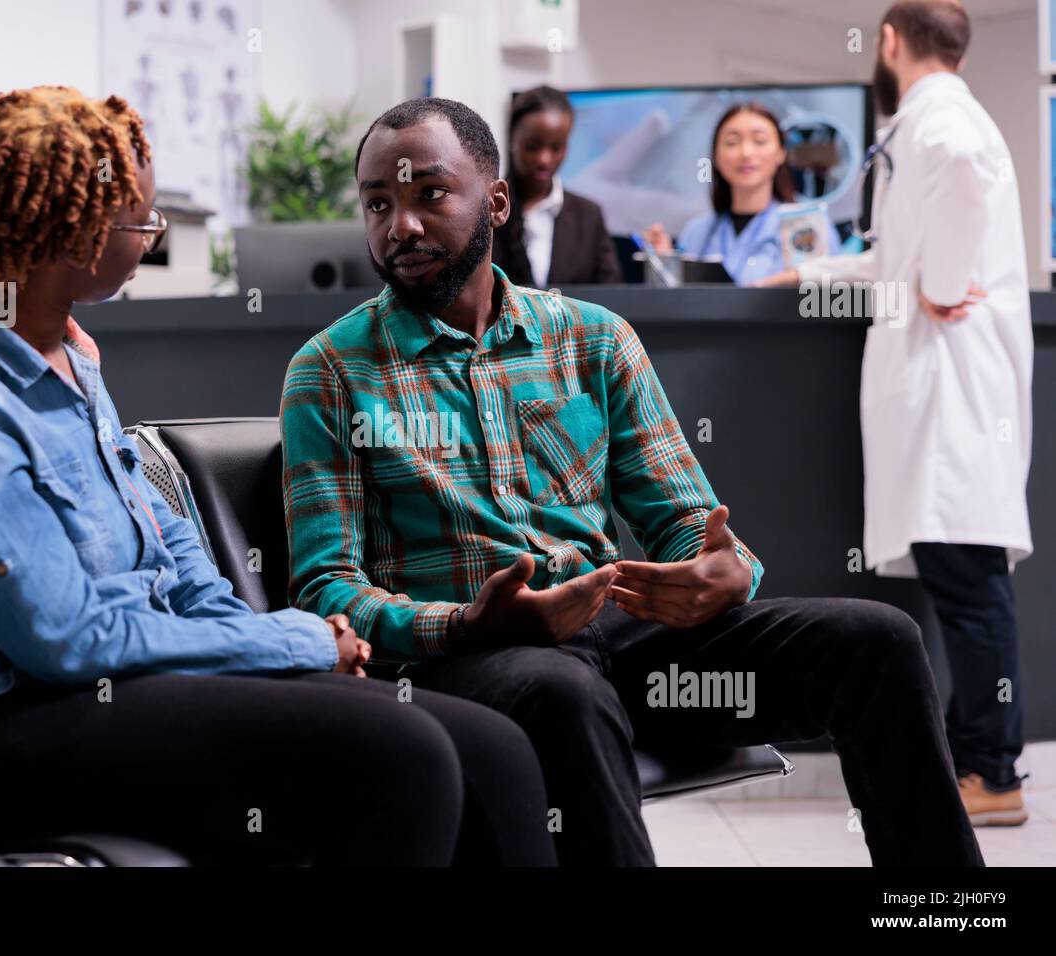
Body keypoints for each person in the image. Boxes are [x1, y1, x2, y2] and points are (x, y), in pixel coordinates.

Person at [280, 95, 985, 867]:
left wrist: (723, 571)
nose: (400, 226)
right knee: (562, 692)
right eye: (378, 203)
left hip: (616, 630)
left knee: (876, 640)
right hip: (469, 662)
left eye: (428, 195)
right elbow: (326, 592)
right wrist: (468, 623)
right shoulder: (331, 371)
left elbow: (689, 523)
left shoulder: (594, 339)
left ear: (497, 200)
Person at [0, 85, 557, 866]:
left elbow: (171, 558)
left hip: (118, 685)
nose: (151, 235)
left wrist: (258, 641)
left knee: (492, 749)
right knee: (405, 755)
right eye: (141, 221)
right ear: (80, 235)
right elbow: (68, 640)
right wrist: (290, 643)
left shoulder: (73, 361)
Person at [759, 0, 1033, 826]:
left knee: (971, 584)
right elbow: (890, 260)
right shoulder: (924, 122)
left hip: (955, 395)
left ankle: (993, 772)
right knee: (962, 581)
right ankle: (975, 760)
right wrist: (807, 278)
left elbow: (942, 228)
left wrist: (941, 286)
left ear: (887, 42)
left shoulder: (941, 124)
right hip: (937, 392)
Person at [644, 103, 842, 285]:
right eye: (732, 142)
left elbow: (823, 302)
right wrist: (665, 262)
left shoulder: (807, 225)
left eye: (759, 141)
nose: (746, 153)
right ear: (716, 156)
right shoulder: (696, 232)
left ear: (781, 153)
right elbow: (679, 308)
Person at [491, 86, 622, 287]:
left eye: (556, 147)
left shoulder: (588, 216)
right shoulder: (487, 209)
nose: (544, 159)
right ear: (512, 140)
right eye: (532, 146)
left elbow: (611, 294)